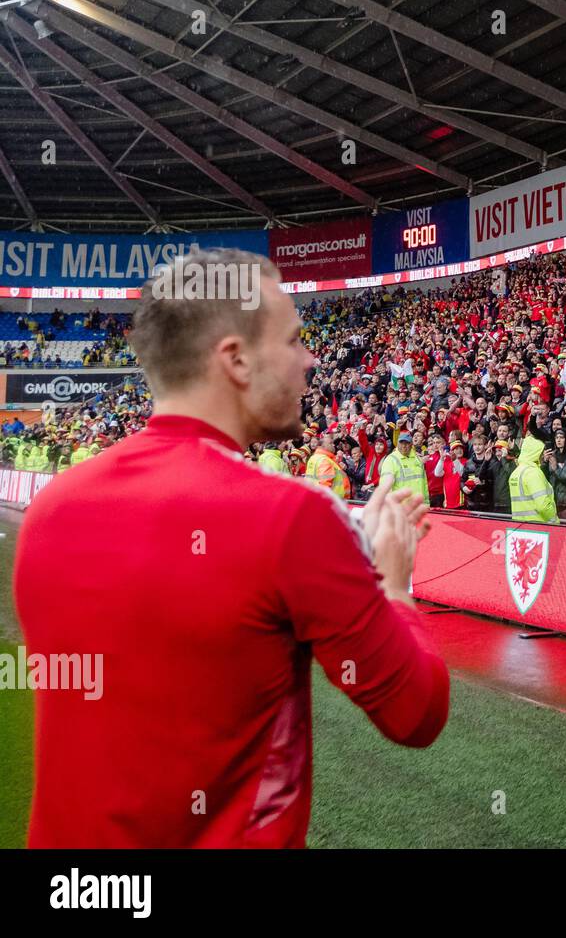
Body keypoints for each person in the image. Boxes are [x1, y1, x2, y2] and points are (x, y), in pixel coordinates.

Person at [14, 250, 449, 847]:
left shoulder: (49, 512)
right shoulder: (291, 517)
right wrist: (394, 586)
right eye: (294, 340)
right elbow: (415, 713)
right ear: (236, 360)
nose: (311, 359)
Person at [508, 435, 557, 523]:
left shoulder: (515, 472)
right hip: (539, 526)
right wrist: (554, 519)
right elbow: (543, 506)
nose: (542, 456)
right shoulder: (533, 473)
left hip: (519, 526)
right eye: (541, 453)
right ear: (536, 453)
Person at [379, 431, 430, 505]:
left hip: (418, 507)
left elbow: (424, 484)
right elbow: (385, 487)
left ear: (411, 444)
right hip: (401, 508)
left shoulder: (418, 459)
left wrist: (426, 504)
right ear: (397, 444)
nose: (404, 446)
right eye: (401, 443)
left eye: (406, 443)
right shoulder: (391, 460)